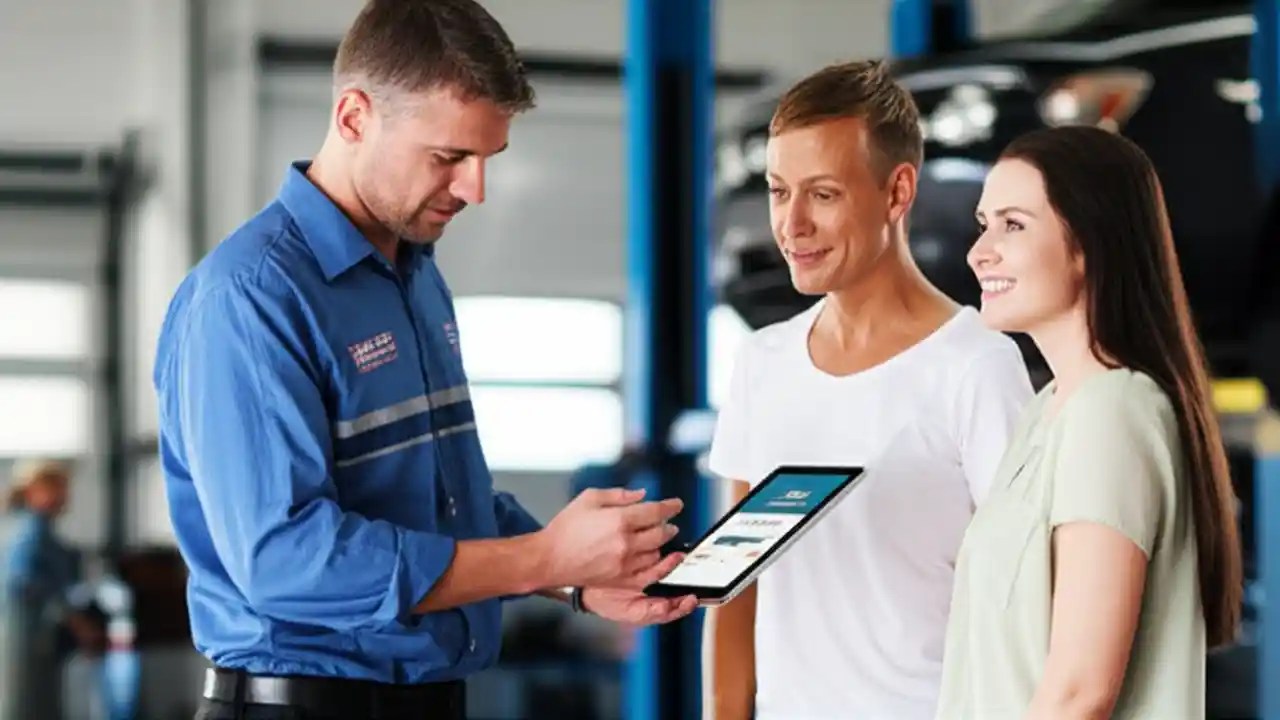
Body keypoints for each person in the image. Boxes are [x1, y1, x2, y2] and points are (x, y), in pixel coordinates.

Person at [153, 2, 694, 718]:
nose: (475, 189)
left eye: (487, 159)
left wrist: (572, 579)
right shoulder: (249, 299)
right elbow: (285, 561)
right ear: (353, 118)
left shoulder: (413, 275)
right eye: (449, 158)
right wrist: (544, 558)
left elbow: (441, 505)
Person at [703, 60, 1034, 720]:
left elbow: (1023, 603)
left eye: (822, 194)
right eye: (777, 191)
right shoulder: (761, 363)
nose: (791, 224)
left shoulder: (977, 366)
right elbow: (737, 589)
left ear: (897, 191)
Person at [936, 126, 1244, 718]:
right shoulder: (1047, 411)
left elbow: (1080, 692)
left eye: (1014, 225)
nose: (980, 251)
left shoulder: (1113, 410)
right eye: (983, 223)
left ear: (1089, 244)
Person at [0, 459, 100, 720]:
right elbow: (31, 583)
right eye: (57, 487)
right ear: (33, 490)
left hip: (37, 639)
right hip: (28, 638)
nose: (65, 495)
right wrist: (76, 621)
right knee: (30, 704)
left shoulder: (37, 532)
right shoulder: (30, 534)